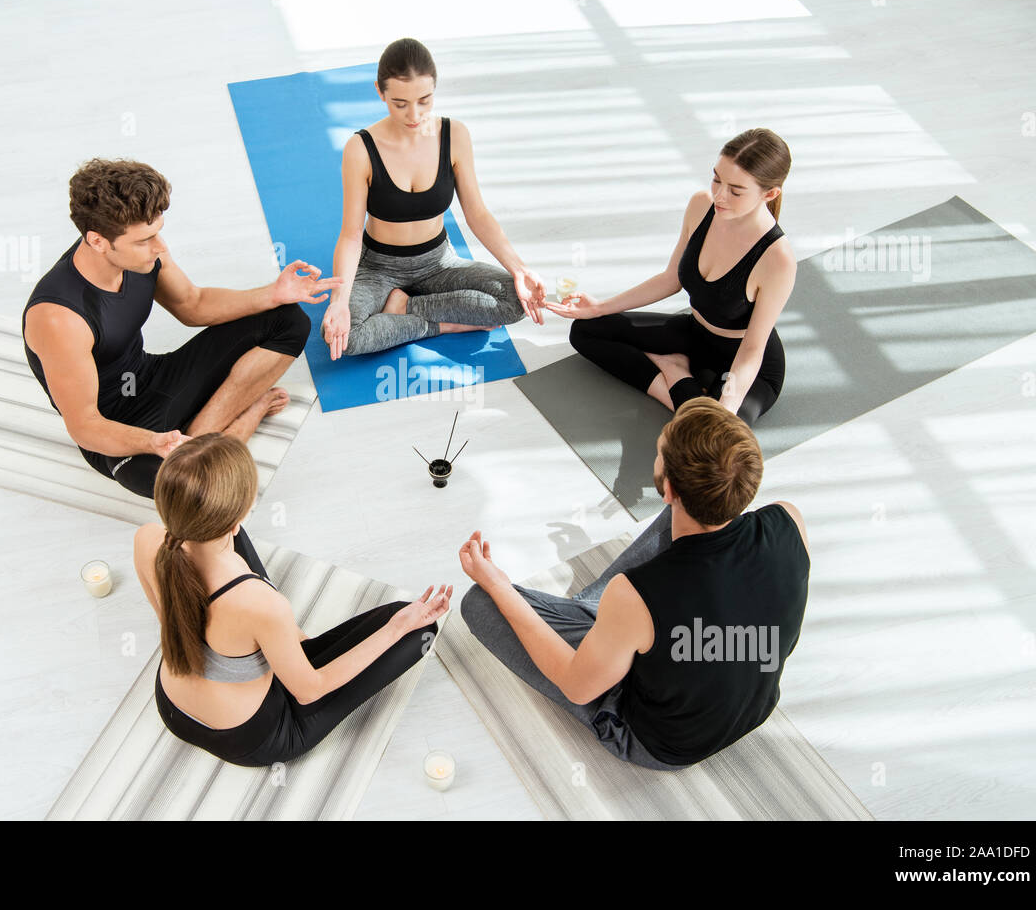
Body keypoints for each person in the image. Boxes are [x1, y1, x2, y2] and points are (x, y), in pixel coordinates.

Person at [457, 397, 810, 769]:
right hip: (749, 709)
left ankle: (606, 630)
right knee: (676, 521)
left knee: (480, 601)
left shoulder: (633, 596)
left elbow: (576, 687)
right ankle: (610, 631)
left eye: (659, 452)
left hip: (658, 743)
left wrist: (497, 585)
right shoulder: (789, 519)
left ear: (668, 486)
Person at [23, 158, 331, 501]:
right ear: (97, 241)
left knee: (288, 321)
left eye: (158, 231)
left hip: (154, 378)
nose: (159, 248)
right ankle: (245, 414)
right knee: (189, 491)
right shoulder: (58, 316)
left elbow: (193, 305)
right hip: (118, 428)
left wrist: (273, 293)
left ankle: (197, 441)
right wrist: (154, 442)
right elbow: (85, 425)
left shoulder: (143, 255)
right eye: (144, 240)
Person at [134, 433, 450, 766]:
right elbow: (310, 690)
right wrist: (396, 628)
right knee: (418, 629)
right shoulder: (261, 604)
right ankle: (293, 649)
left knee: (243, 569)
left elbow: (177, 619)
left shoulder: (148, 541)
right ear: (237, 516)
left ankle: (287, 648)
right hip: (250, 738)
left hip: (172, 708)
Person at [546, 128, 795, 425]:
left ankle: (677, 374)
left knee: (714, 429)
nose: (719, 195)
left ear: (769, 194)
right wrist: (598, 307)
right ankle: (679, 381)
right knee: (586, 330)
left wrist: (725, 407)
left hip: (744, 362)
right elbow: (670, 279)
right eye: (716, 179)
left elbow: (753, 349)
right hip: (694, 334)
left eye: (735, 190)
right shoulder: (702, 206)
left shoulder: (777, 258)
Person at [320, 37, 545, 359]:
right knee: (341, 336)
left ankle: (405, 306)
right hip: (379, 267)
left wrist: (520, 269)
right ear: (379, 92)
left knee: (516, 299)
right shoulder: (361, 148)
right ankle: (441, 324)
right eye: (400, 103)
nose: (414, 114)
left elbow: (477, 214)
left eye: (424, 100)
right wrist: (339, 302)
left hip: (439, 262)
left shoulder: (455, 136)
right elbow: (351, 234)